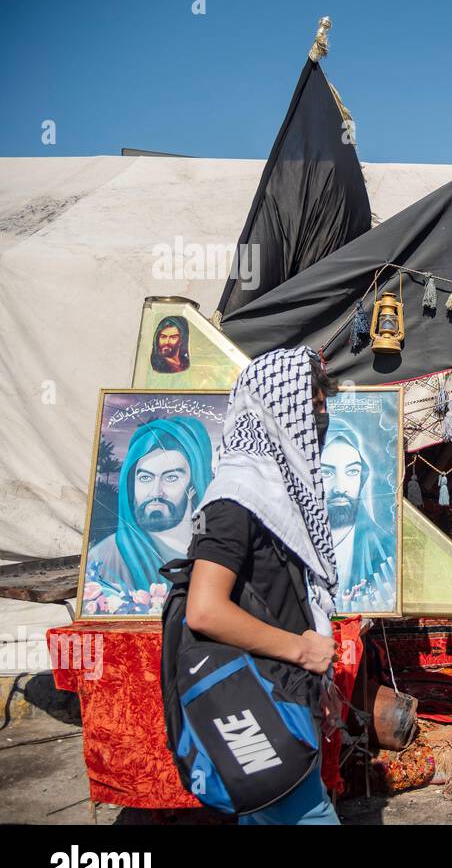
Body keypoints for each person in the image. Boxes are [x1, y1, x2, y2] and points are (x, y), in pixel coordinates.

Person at [184, 346, 342, 825]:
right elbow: (204, 610)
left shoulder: (271, 492)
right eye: (310, 405)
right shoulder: (236, 498)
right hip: (259, 706)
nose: (320, 417)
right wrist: (301, 650)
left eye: (320, 405)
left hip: (283, 700)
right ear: (275, 409)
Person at [86, 416, 212, 607]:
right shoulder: (105, 558)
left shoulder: (218, 551)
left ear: (193, 484)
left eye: (170, 477)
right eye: (145, 478)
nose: (155, 492)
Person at [320, 423, 392, 608]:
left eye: (352, 471)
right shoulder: (289, 543)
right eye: (326, 473)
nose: (340, 487)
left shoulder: (385, 550)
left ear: (362, 478)